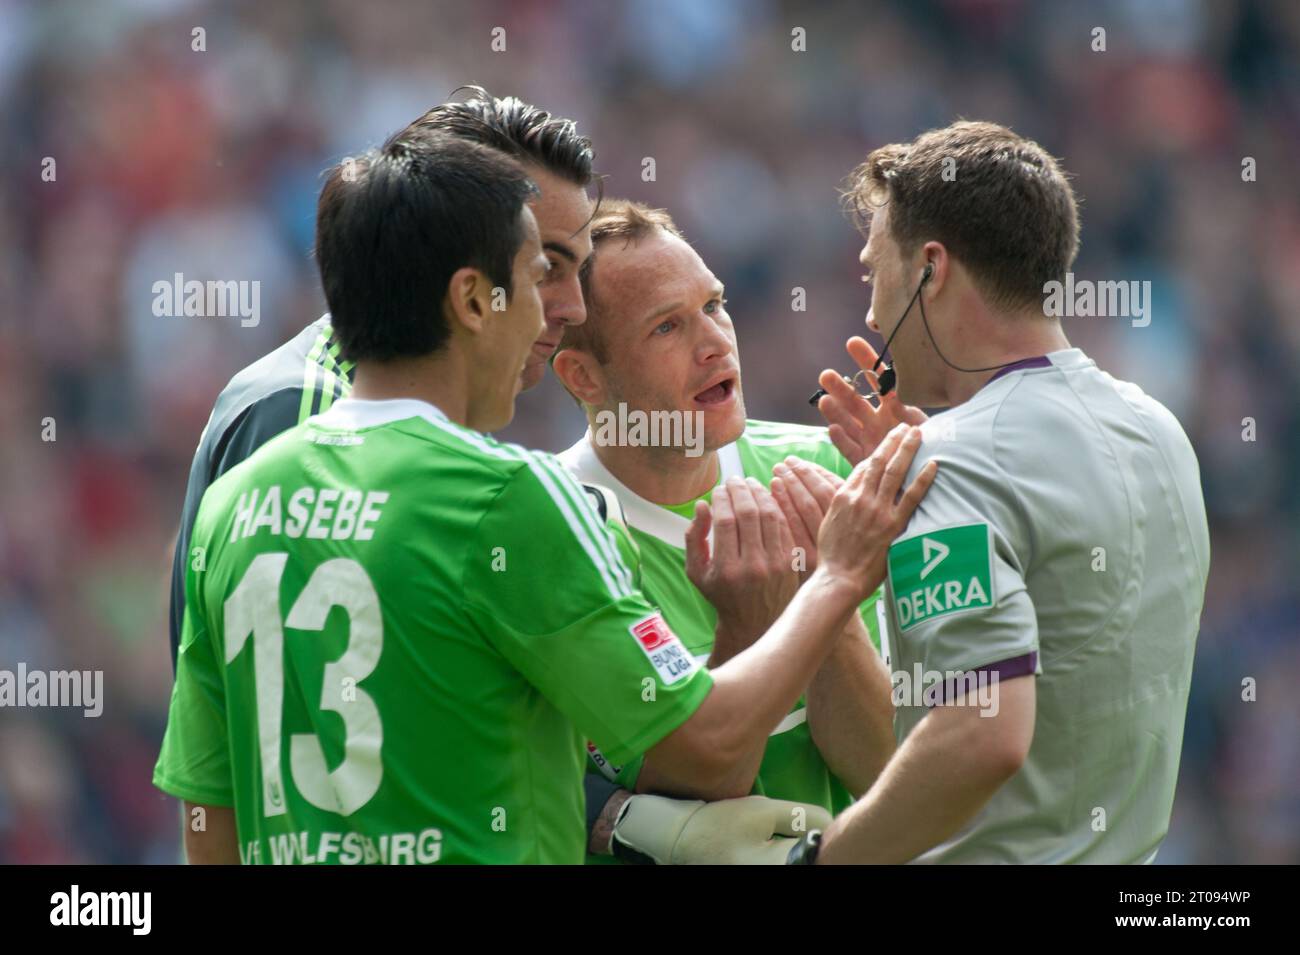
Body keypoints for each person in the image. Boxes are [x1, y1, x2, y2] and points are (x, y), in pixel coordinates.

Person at [153, 125, 936, 864]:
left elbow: (209, 811)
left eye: (714, 305)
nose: (551, 316)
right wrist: (834, 577)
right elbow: (705, 743)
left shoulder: (239, 500)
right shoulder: (507, 497)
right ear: (471, 301)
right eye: (536, 279)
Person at [776, 121, 1209, 864]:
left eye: (875, 272)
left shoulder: (949, 465)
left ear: (930, 271)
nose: (874, 317)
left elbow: (984, 732)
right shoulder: (1160, 428)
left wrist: (826, 857)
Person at [166, 88, 595, 671]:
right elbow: (294, 713)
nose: (574, 308)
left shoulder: (429, 421)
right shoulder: (307, 411)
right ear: (453, 257)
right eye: (544, 266)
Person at [550, 200, 896, 859]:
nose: (715, 342)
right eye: (667, 327)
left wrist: (827, 597)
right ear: (584, 375)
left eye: (715, 304)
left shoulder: (823, 468)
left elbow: (885, 769)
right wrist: (747, 626)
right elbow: (691, 804)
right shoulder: (561, 528)